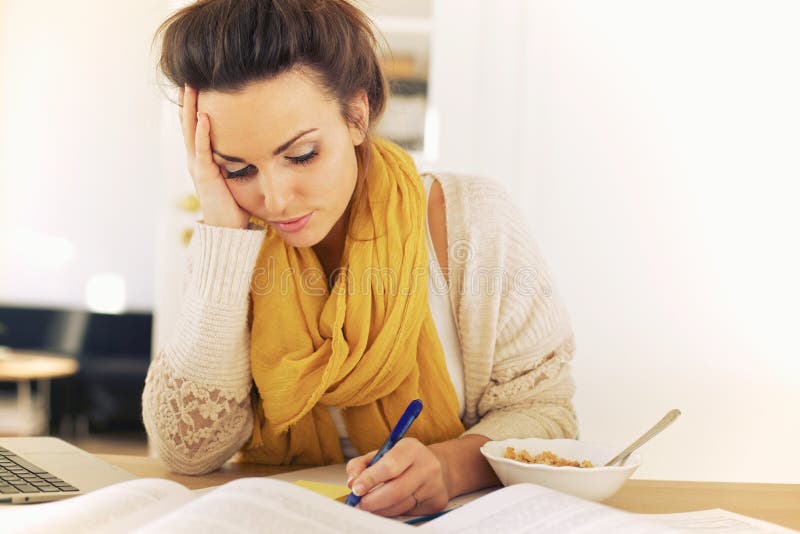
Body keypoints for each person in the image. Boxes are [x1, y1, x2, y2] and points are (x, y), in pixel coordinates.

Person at [142, 0, 578, 518]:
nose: (275, 199)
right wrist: (222, 231)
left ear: (357, 112)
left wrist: (449, 467)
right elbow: (186, 452)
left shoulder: (472, 220)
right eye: (237, 169)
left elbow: (549, 416)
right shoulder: (231, 240)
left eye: (301, 155)